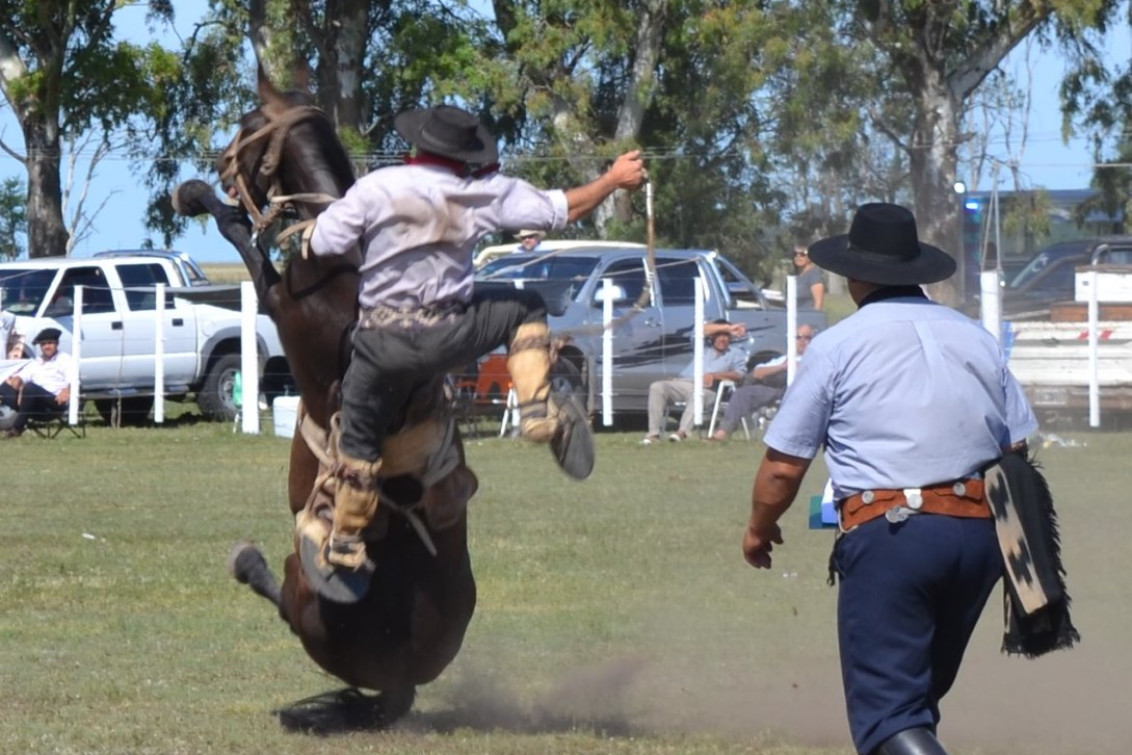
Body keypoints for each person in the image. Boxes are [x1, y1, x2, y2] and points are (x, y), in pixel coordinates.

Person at [741, 203, 1038, 755]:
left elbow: (784, 464)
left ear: (855, 276)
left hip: (894, 536)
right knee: (917, 700)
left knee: (890, 718)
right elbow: (1016, 446)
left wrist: (759, 529)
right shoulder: (975, 337)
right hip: (980, 539)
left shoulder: (837, 346)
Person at [306, 104, 647, 572]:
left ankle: (344, 539)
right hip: (451, 334)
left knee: (358, 448)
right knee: (525, 306)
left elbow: (323, 243)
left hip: (379, 345)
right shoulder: (484, 193)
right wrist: (611, 180)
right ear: (464, 153)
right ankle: (535, 410)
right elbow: (560, 210)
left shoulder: (376, 187)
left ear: (418, 143)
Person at [641, 320, 748, 444]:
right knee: (657, 387)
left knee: (698, 396)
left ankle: (682, 432)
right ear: (712, 337)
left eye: (726, 336)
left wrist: (716, 375)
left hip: (709, 389)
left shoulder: (736, 352)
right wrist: (729, 328)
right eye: (719, 335)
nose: (722, 339)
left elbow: (740, 374)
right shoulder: (703, 347)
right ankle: (653, 435)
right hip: (685, 382)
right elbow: (699, 329)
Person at [710, 323, 815, 441]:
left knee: (746, 388)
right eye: (798, 337)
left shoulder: (815, 359)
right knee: (744, 390)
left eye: (807, 338)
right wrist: (783, 367)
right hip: (771, 386)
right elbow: (757, 372)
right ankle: (723, 432)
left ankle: (726, 431)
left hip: (793, 390)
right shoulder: (784, 358)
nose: (802, 341)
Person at [0, 328, 76, 438]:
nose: (46, 347)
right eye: (43, 344)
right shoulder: (37, 362)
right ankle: (21, 416)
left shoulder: (65, 360)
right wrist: (17, 382)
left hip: (53, 401)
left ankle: (17, 428)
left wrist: (67, 391)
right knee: (3, 387)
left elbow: (73, 380)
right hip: (31, 402)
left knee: (30, 388)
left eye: (50, 343)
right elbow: (21, 377)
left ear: (57, 344)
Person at [793, 242, 826, 310]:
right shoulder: (796, 276)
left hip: (808, 318)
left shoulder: (814, 275)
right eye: (795, 254)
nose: (798, 256)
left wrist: (814, 318)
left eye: (802, 254)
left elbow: (819, 303)